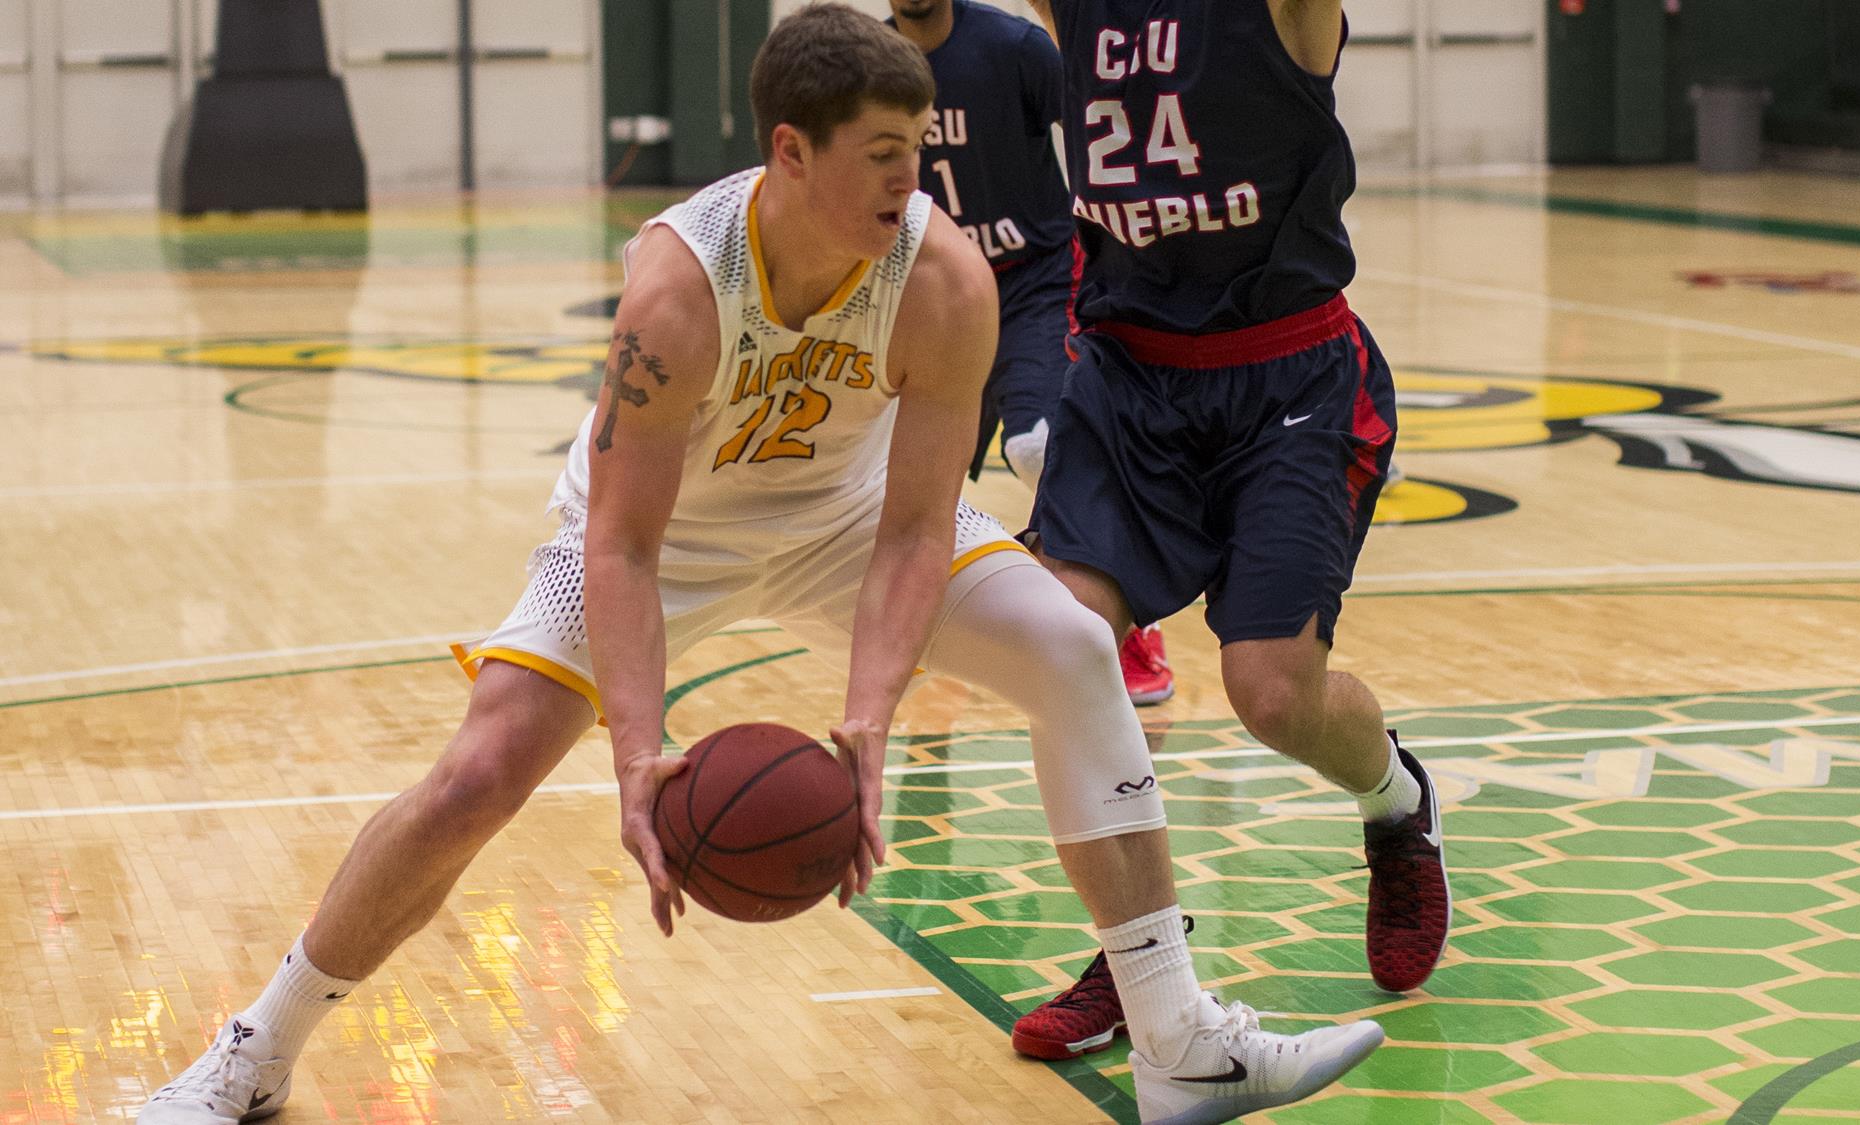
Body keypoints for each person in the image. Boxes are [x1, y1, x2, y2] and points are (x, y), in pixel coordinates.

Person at [136, 7, 1380, 1125]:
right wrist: (635, 759)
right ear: (790, 151)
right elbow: (620, 544)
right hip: (658, 538)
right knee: (476, 776)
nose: (914, 177)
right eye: (881, 153)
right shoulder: (679, 288)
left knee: (1068, 646)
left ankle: (1177, 1042)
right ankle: (255, 1052)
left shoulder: (942, 278)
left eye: (920, 145)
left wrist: (868, 719)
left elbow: (910, 527)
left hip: (843, 519)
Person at [1007, 0, 1452, 1060]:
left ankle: (1396, 804)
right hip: (1128, 382)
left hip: (1287, 378)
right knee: (1061, 650)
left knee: (1271, 695)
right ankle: (1137, 961)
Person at [889, 0, 1179, 707]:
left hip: (1034, 277)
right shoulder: (871, 62)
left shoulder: (1016, 47)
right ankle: (919, 621)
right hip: (933, 294)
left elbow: (1104, 126)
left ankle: (1131, 616)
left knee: (1035, 445)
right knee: (911, 481)